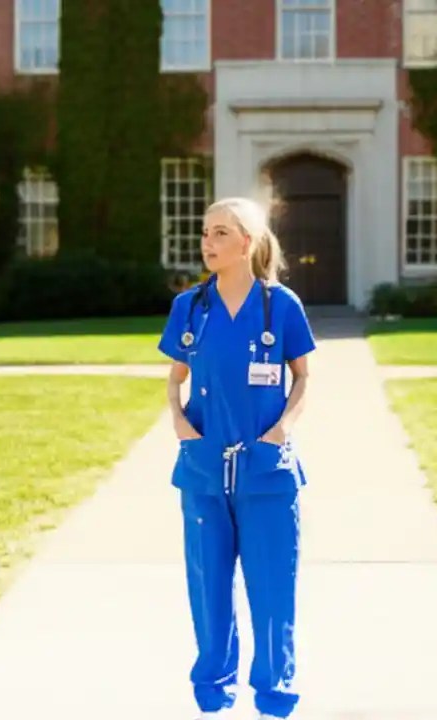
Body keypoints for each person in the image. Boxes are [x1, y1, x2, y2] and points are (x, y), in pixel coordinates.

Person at [156, 197, 317, 720]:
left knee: (272, 590)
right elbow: (175, 379)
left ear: (247, 242)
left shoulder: (281, 306)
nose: (208, 242)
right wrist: (180, 422)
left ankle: (275, 696)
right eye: (205, 232)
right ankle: (212, 693)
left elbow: (303, 377)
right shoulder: (190, 308)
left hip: (265, 470)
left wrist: (281, 430)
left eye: (220, 233)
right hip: (203, 468)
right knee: (208, 588)